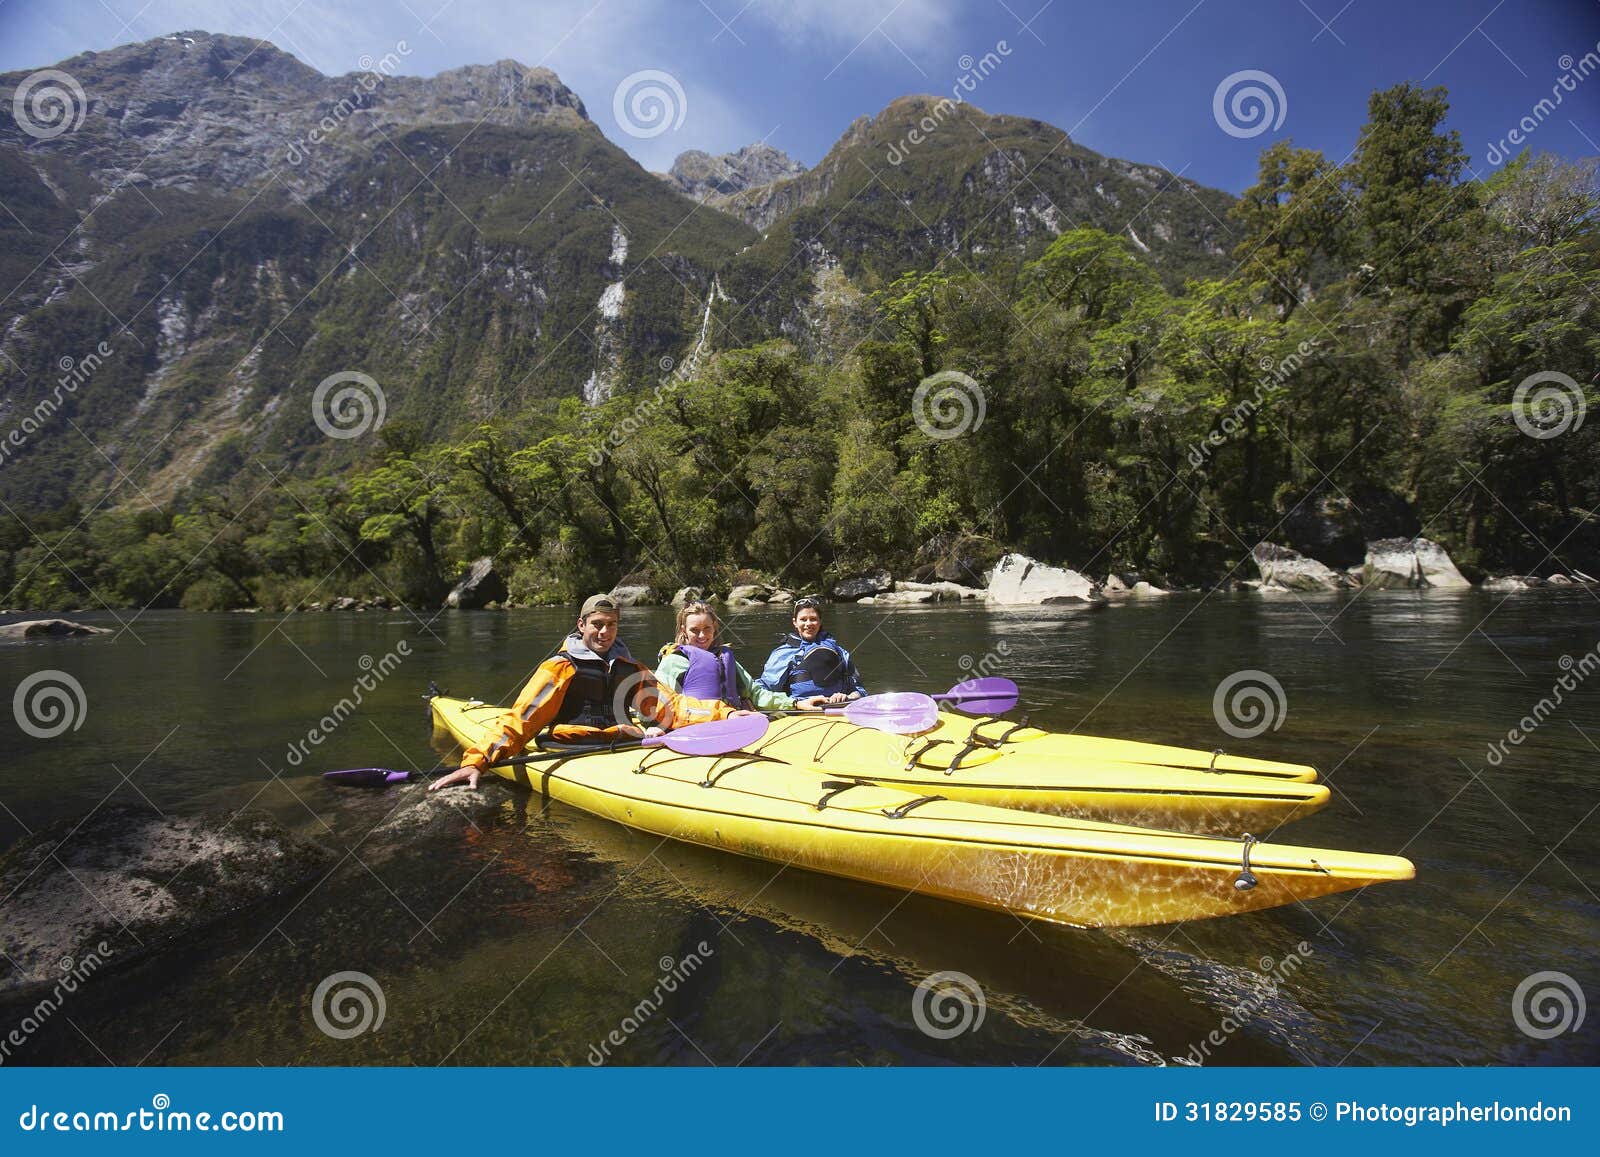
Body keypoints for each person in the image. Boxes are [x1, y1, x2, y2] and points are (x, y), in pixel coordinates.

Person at [431, 594, 746, 791]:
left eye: (611, 624)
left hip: (617, 743)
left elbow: (672, 708)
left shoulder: (628, 669)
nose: (605, 632)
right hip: (567, 744)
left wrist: (727, 714)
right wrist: (477, 760)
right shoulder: (560, 668)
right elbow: (522, 718)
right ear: (581, 625)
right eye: (597, 624)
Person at [655, 600, 825, 712]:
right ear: (684, 630)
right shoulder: (674, 661)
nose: (702, 636)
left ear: (714, 627)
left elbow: (755, 693)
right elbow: (658, 702)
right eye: (695, 630)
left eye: (707, 628)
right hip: (695, 728)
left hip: (730, 723)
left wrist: (795, 703)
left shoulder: (723, 658)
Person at [758, 596, 868, 705]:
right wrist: (795, 704)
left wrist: (848, 697)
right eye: (803, 619)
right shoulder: (783, 654)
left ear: (820, 621)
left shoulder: (840, 652)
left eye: (813, 619)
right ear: (795, 622)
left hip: (838, 707)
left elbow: (860, 692)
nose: (808, 624)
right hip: (800, 709)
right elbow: (764, 690)